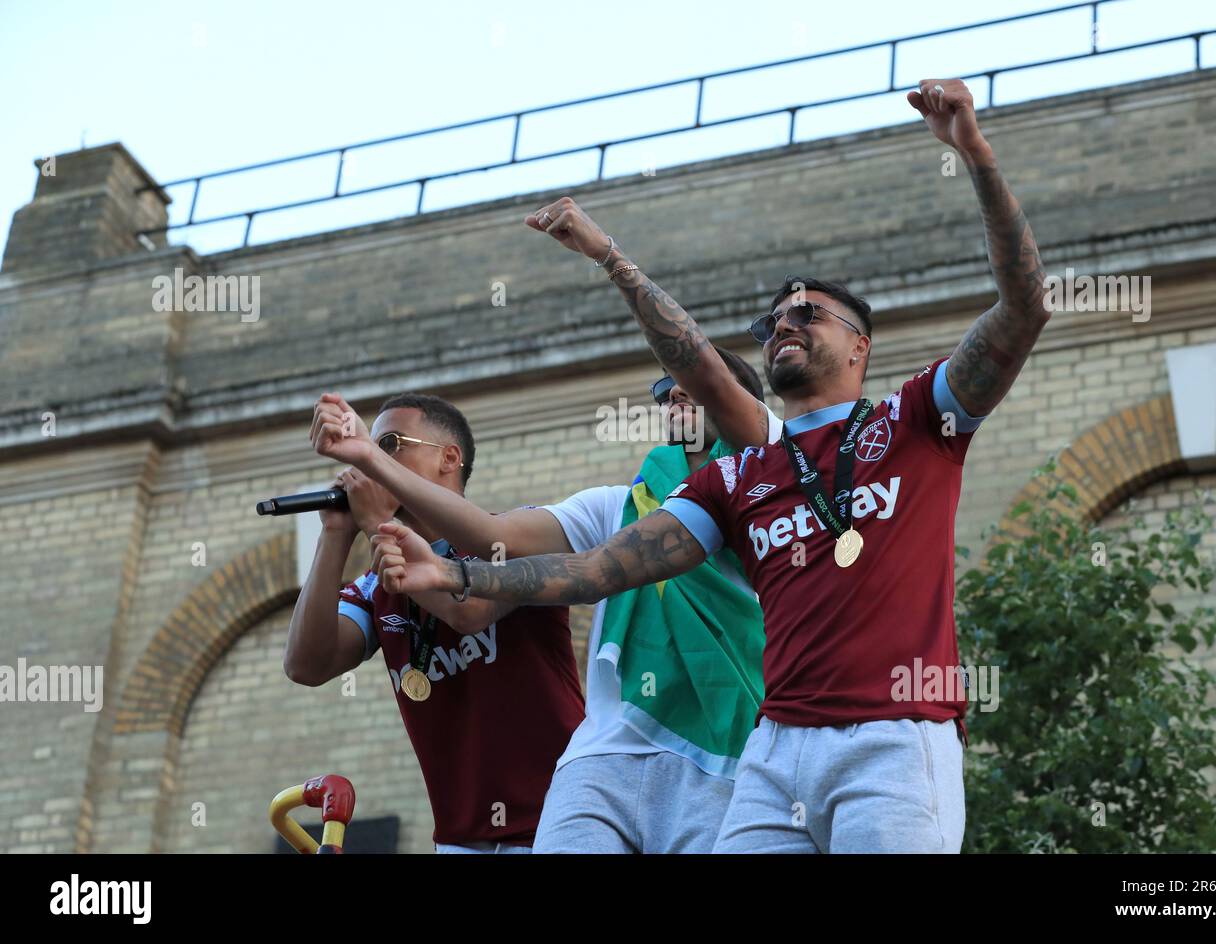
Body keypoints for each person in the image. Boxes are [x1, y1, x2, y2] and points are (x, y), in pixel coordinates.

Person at [365, 78, 1050, 853]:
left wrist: (975, 155)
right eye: (775, 319)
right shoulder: (734, 477)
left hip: (892, 739)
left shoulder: (918, 418)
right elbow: (596, 571)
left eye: (809, 313)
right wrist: (454, 578)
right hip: (775, 754)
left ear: (861, 347)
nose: (786, 323)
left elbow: (1024, 305)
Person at [310, 204, 784, 852]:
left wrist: (609, 257)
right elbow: (488, 536)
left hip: (722, 746)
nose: (676, 395)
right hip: (610, 752)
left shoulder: (770, 482)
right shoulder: (616, 507)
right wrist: (366, 482)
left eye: (694, 386)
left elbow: (473, 607)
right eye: (666, 390)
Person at [285, 393, 584, 853]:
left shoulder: (514, 538)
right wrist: (335, 533)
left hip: (566, 817)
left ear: (449, 458)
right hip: (462, 839)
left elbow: (467, 612)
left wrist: (378, 523)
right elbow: (306, 664)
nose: (370, 461)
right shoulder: (374, 586)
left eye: (388, 444)